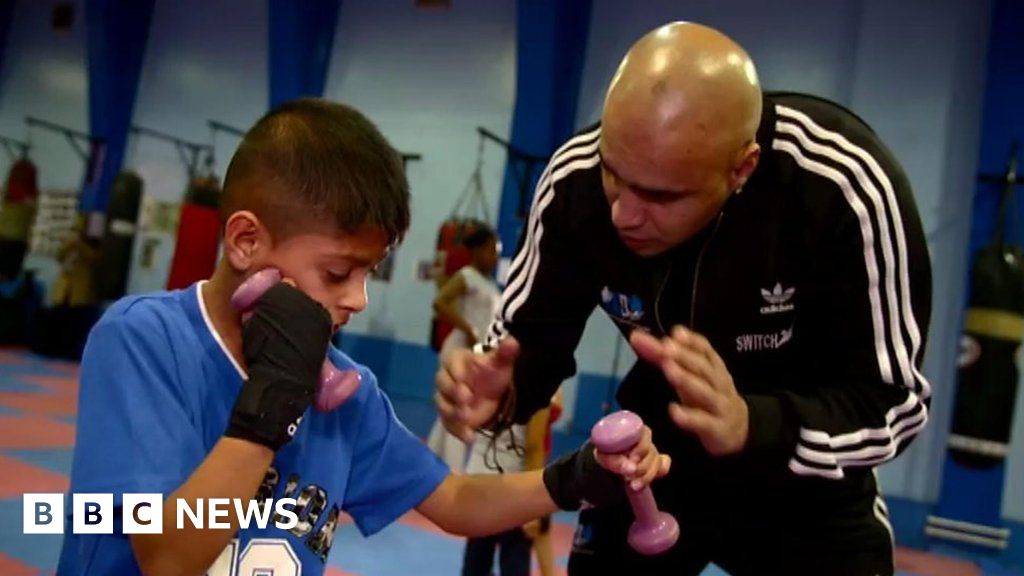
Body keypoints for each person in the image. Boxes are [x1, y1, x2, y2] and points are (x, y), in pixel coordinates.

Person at [57, 99, 671, 576]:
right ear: (246, 243)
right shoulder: (145, 341)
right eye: (336, 273)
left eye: (368, 272)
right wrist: (270, 405)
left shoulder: (348, 395)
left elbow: (454, 499)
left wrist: (576, 478)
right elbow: (166, 558)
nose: (358, 298)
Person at [435, 22, 932, 576]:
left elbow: (895, 404)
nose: (623, 212)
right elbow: (526, 342)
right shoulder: (575, 181)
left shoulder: (842, 187)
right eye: (614, 174)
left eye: (660, 195)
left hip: (803, 475)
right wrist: (502, 391)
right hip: (652, 456)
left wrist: (752, 425)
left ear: (742, 168)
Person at [426, 225, 502, 470]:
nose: (495, 256)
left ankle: (430, 458)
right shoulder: (467, 275)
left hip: (477, 349)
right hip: (460, 347)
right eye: (491, 250)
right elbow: (440, 302)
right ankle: (452, 470)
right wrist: (468, 329)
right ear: (478, 251)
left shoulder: (489, 284)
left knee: (451, 408)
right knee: (462, 407)